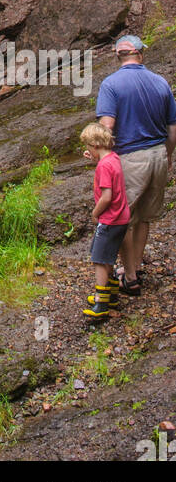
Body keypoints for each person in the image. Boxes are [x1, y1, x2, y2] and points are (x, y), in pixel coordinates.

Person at [96, 34, 176, 295]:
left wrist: (102, 159)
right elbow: (172, 129)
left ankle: (130, 277)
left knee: (122, 219)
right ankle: (136, 267)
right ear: (141, 53)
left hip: (130, 158)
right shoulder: (161, 82)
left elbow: (106, 126)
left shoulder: (111, 84)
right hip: (158, 156)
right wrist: (168, 155)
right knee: (143, 218)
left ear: (117, 55)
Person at [80, 122, 130, 321]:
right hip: (122, 218)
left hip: (110, 219)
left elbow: (107, 196)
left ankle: (101, 303)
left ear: (95, 144)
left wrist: (95, 213)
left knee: (99, 259)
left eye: (88, 147)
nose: (87, 151)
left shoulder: (103, 166)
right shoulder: (113, 158)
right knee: (109, 256)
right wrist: (95, 160)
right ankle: (112, 296)